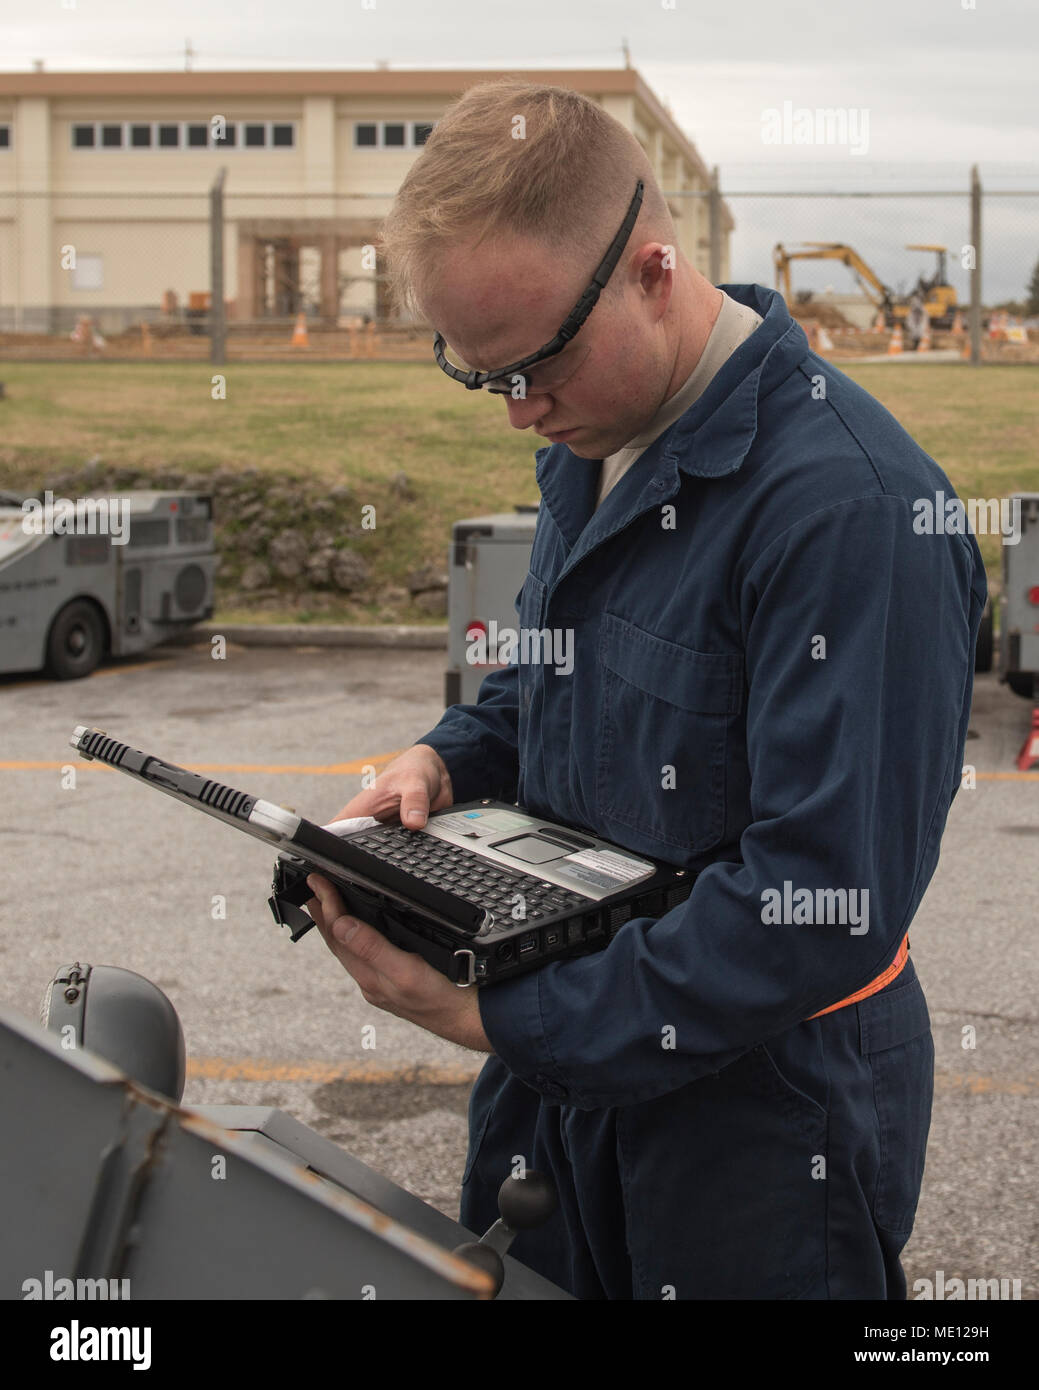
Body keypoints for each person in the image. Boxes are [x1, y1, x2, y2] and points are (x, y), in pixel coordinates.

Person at [304, 80, 987, 1300]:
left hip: (763, 1119)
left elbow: (818, 900)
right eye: (480, 373)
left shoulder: (850, 514)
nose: (519, 409)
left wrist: (503, 1023)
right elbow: (558, 682)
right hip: (561, 1079)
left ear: (655, 272)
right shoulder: (598, 434)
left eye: (538, 364)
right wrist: (447, 758)